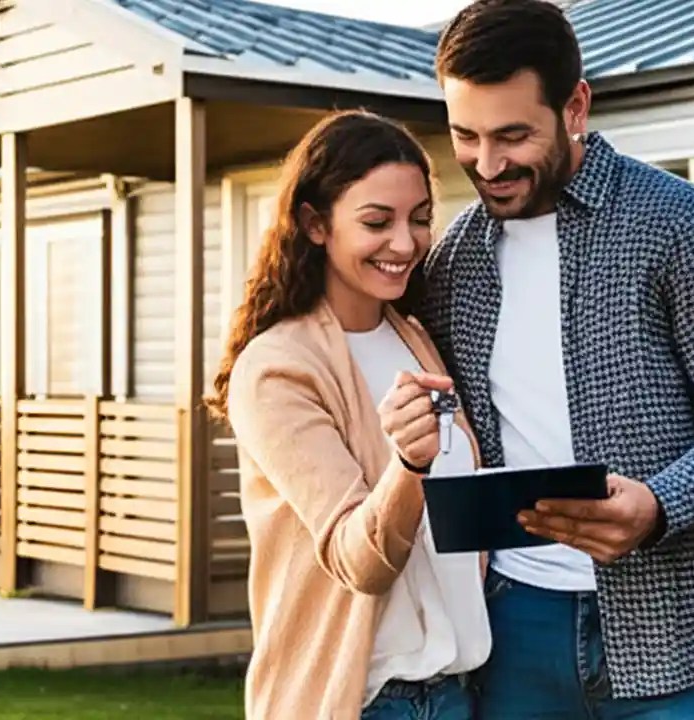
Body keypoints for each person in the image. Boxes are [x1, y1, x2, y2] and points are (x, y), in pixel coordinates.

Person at [421, 1, 694, 717]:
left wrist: (661, 505)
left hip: (683, 627)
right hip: (512, 629)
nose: (487, 163)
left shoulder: (685, 225)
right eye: (464, 136)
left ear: (576, 107)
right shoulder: (453, 260)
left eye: (512, 135)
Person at [207, 110, 490, 720]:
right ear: (314, 224)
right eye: (376, 222)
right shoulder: (278, 368)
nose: (405, 243)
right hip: (366, 701)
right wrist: (409, 463)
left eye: (418, 219)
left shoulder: (414, 337)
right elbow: (358, 561)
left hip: (458, 690)